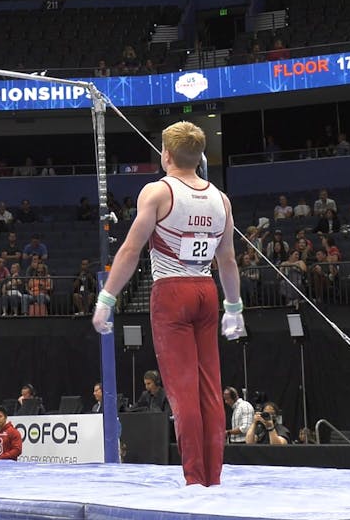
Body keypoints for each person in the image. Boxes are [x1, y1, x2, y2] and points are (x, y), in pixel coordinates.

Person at [91, 121, 245, 487]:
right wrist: (234, 309)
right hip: (207, 292)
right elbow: (228, 260)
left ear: (166, 155)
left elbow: (130, 250)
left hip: (172, 291)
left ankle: (194, 481)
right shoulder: (221, 199)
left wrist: (106, 298)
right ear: (200, 157)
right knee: (210, 388)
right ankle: (213, 479)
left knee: (183, 391)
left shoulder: (158, 192)